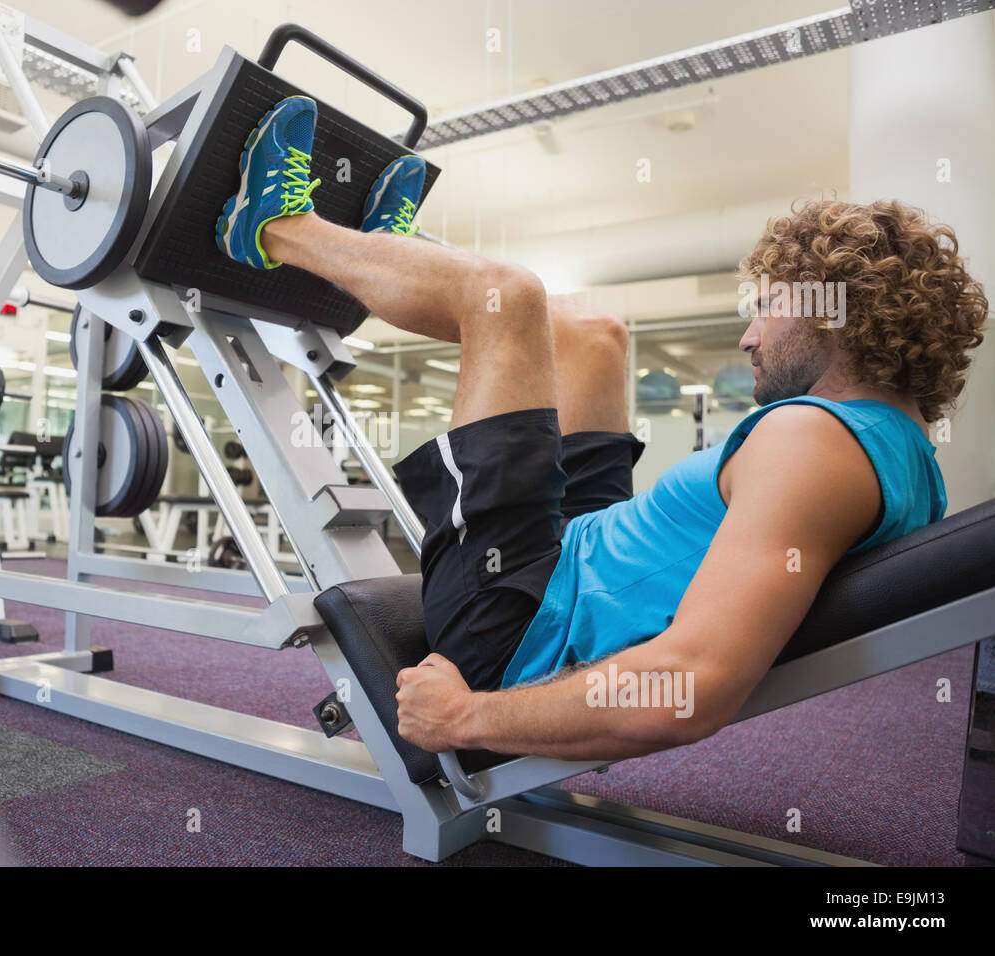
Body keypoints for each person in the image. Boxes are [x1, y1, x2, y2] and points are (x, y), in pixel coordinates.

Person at [216, 96, 988, 761]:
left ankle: (276, 229)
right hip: (574, 566)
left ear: (836, 314)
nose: (749, 338)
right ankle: (389, 256)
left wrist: (466, 715)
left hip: (516, 624)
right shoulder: (906, 452)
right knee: (594, 334)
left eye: (768, 306)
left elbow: (691, 685)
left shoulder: (815, 442)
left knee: (502, 295)